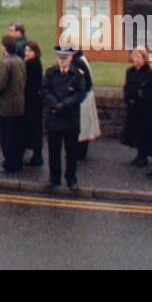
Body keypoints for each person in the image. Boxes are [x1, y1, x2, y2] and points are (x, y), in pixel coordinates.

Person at [43, 45, 86, 190]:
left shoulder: (78, 74)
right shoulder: (50, 72)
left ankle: (71, 179)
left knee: (71, 152)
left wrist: (63, 104)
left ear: (71, 58)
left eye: (65, 58)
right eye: (60, 58)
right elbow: (44, 90)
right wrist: (55, 104)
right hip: (54, 116)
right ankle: (54, 178)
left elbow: (80, 94)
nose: (62, 61)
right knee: (53, 151)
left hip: (70, 118)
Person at [0, 34, 27, 173]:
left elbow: (0, 84)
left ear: (4, 48)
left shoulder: (5, 63)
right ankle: (17, 161)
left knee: (7, 137)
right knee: (17, 135)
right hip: (19, 103)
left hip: (6, 105)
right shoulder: (20, 61)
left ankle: (9, 163)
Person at [121, 48, 152, 166]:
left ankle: (143, 156)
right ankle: (139, 155)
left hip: (143, 107)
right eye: (135, 57)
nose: (137, 60)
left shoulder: (148, 72)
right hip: (132, 106)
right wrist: (128, 98)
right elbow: (127, 86)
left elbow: (146, 89)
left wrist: (139, 97)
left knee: (143, 132)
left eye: (139, 57)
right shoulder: (130, 71)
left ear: (144, 58)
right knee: (134, 131)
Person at [73, 48, 101, 160]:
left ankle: (80, 152)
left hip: (83, 97)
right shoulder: (81, 59)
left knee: (83, 126)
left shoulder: (78, 62)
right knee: (85, 125)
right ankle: (80, 151)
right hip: (86, 96)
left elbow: (83, 82)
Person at [22, 40, 44, 167]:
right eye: (26, 50)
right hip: (34, 100)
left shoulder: (31, 64)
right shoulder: (34, 63)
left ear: (35, 52)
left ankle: (37, 156)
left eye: (29, 51)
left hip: (32, 101)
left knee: (33, 129)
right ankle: (36, 155)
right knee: (34, 129)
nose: (27, 53)